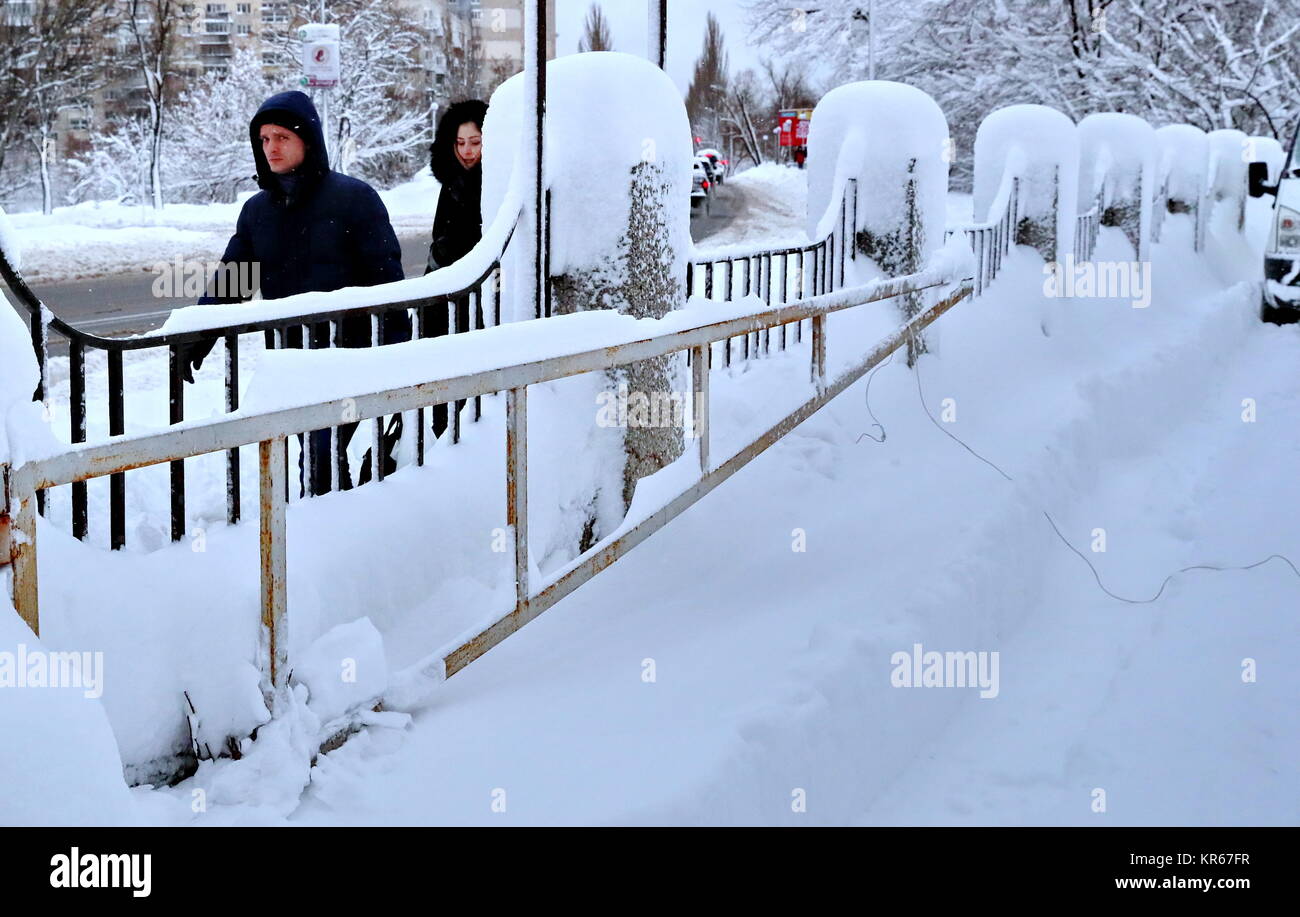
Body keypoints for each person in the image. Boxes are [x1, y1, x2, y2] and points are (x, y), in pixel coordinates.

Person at [183, 90, 411, 494]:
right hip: (292, 359)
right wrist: (198, 337)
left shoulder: (354, 199)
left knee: (321, 453)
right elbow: (233, 280)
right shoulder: (257, 211)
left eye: (282, 137)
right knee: (313, 456)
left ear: (308, 141)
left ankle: (338, 526)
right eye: (264, 139)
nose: (271, 148)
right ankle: (331, 521)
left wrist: (399, 358)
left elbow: (387, 282)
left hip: (351, 354)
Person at [425, 99, 487, 438]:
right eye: (460, 143)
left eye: (475, 142)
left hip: (483, 311)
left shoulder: (495, 185)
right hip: (447, 310)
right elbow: (439, 246)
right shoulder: (452, 186)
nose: (467, 152)